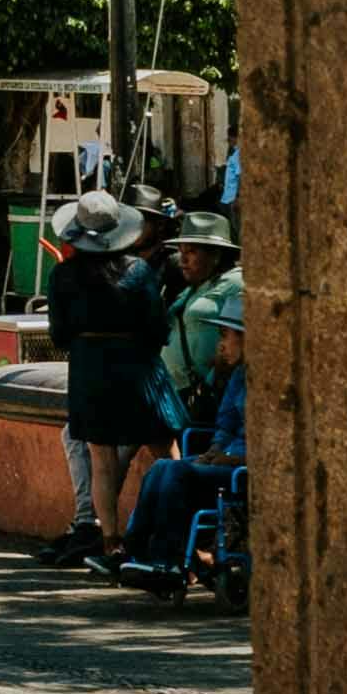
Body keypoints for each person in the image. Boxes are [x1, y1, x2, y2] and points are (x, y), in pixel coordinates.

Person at [39, 189, 173, 565]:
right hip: (139, 368)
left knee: (101, 458)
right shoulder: (140, 271)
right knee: (165, 448)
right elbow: (158, 327)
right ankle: (174, 530)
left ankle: (110, 540)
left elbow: (59, 335)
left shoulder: (63, 275)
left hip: (91, 371)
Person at [115, 218, 248, 591]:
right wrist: (218, 449)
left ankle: (165, 559)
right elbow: (225, 425)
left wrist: (228, 456)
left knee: (172, 472)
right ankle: (136, 555)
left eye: (227, 336)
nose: (222, 343)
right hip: (222, 452)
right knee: (159, 471)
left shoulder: (233, 286)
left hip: (242, 468)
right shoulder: (237, 377)